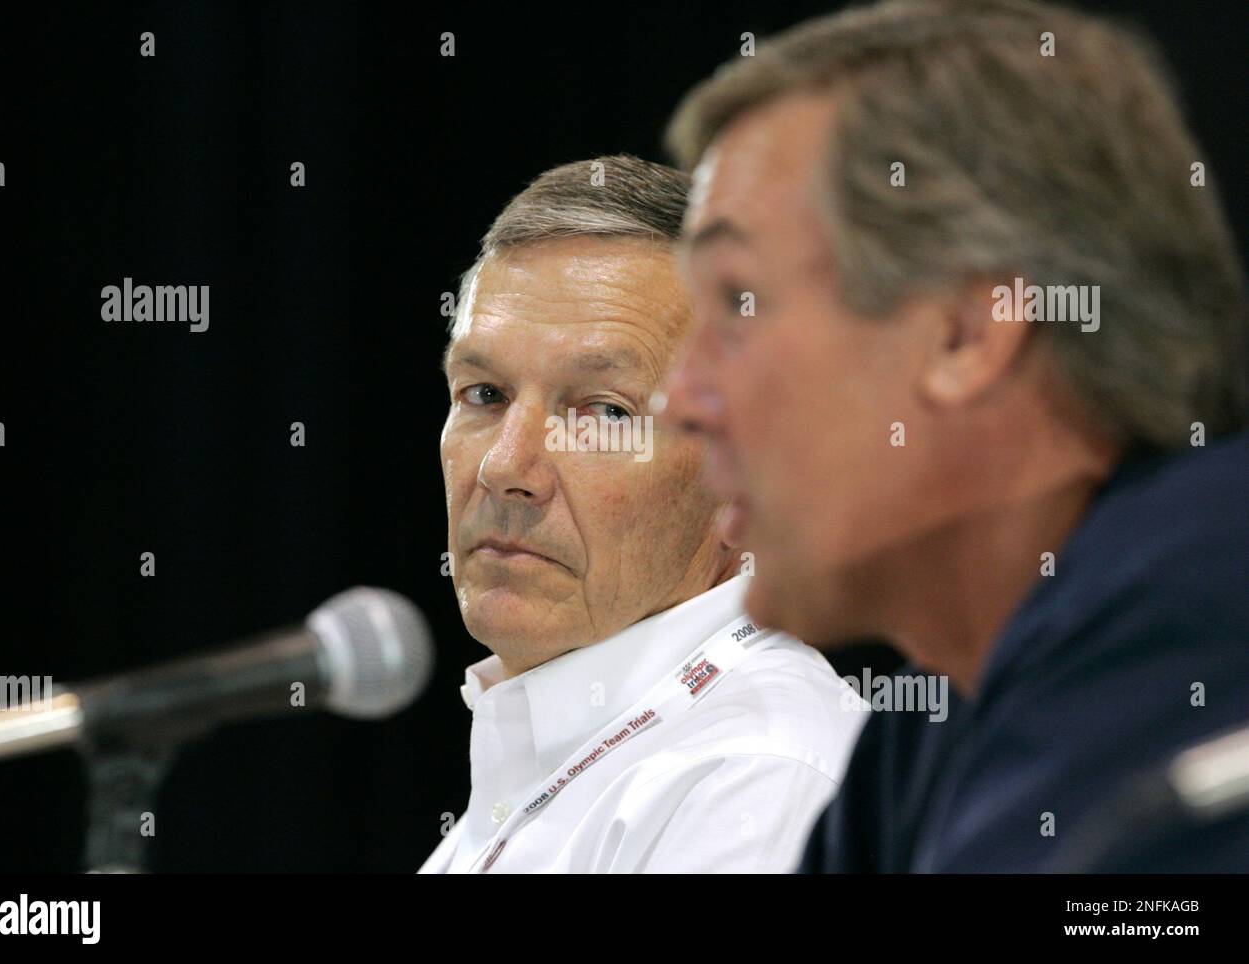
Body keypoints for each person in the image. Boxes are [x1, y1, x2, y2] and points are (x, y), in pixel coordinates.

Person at [661, 0, 1249, 870]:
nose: (679, 397)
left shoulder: (1202, 607)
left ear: (969, 332)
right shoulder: (942, 702)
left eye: (739, 303)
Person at [419, 155, 866, 873]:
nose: (506, 468)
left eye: (601, 412)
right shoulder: (548, 762)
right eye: (484, 394)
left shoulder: (754, 776)